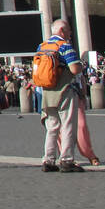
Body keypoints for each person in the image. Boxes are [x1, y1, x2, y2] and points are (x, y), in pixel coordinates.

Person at [38, 19, 85, 173]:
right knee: (67, 125)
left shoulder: (42, 46)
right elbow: (74, 69)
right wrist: (80, 65)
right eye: (69, 31)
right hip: (64, 90)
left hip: (47, 91)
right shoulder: (64, 46)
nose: (70, 34)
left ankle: (48, 159)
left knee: (51, 127)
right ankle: (66, 160)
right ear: (62, 31)